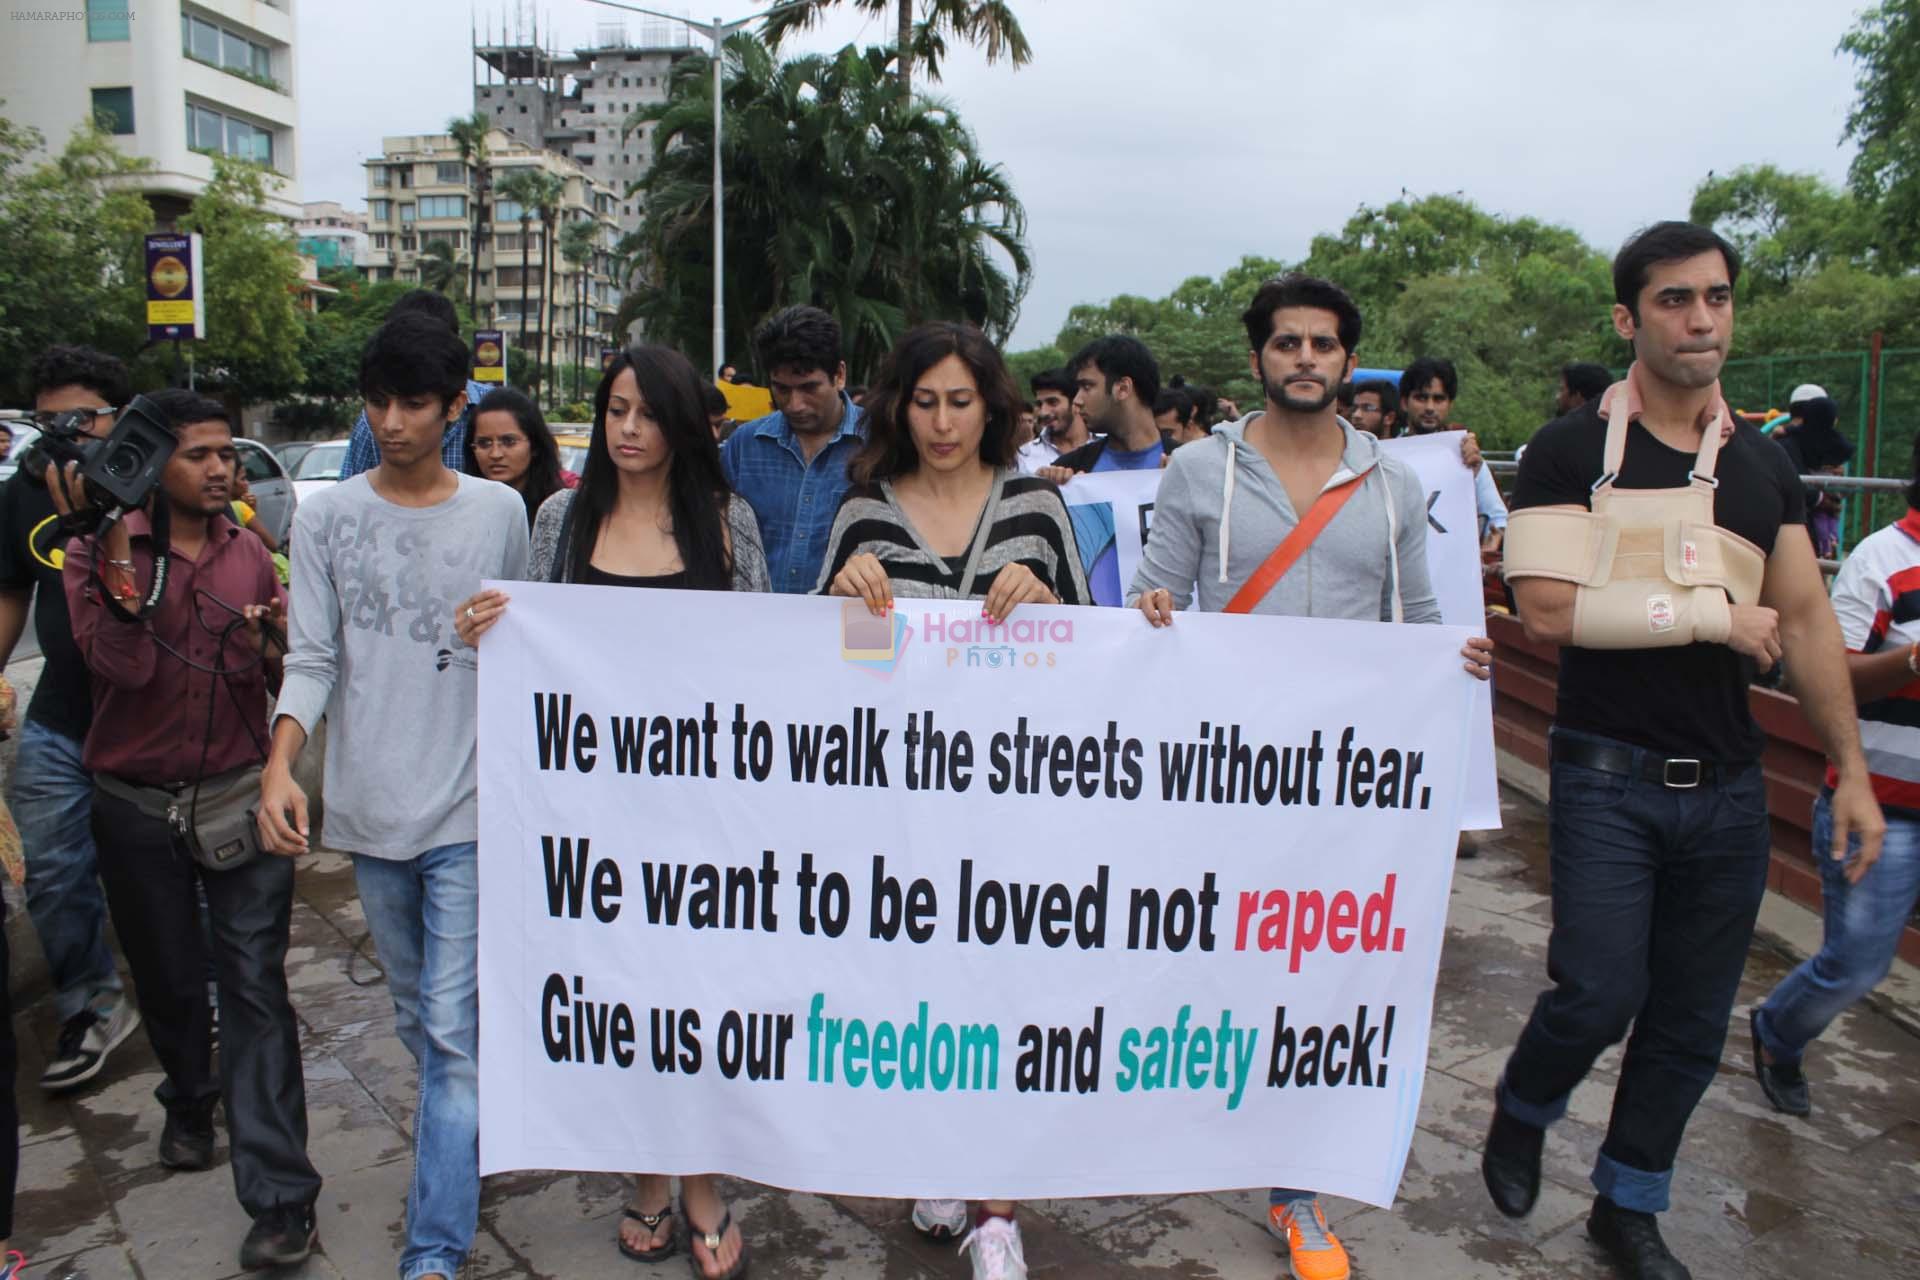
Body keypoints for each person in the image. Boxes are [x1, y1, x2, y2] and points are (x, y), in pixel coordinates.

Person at [1482, 221, 1882, 1280]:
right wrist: (1709, 616)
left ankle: (1630, 1202)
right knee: (1599, 989)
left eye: (1715, 297)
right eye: (1672, 299)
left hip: (1730, 793)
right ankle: (1524, 1101)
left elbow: (1803, 621)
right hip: (1607, 774)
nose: (1699, 317)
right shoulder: (1569, 450)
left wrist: (1849, 772)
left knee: (1692, 1020)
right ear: (1629, 318)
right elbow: (1550, 614)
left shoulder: (1764, 466)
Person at [1130, 273, 1493, 1280]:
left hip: (1345, 780)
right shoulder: (1200, 467)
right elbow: (1154, 587)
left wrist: (1451, 673)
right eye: (1285, 342)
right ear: (1258, 358)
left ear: (1346, 360)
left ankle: (1297, 1185)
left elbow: (1419, 620)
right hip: (1225, 766)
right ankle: (1179, 1105)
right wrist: (1155, 610)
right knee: (1207, 946)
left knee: (1317, 971)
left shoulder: (1394, 485)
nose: (1303, 358)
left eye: (1323, 344)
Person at [471, 345, 766, 1278]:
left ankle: (704, 1183)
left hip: (704, 817)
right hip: (590, 821)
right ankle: (646, 1179)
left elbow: (767, 666)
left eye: (646, 413)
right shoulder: (563, 518)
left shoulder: (727, 522)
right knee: (625, 1005)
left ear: (683, 424)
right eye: (614, 411)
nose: (628, 430)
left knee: (699, 1005)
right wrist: (483, 630)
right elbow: (530, 652)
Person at [258, 313, 531, 1280]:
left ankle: (434, 1252)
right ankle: (467, 1142)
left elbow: (530, 653)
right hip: (371, 812)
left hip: (465, 808)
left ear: (456, 406)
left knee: (449, 1036)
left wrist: (498, 630)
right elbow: (315, 656)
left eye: (415, 403)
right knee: (419, 1020)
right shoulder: (327, 517)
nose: (394, 421)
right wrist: (281, 761)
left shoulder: (502, 513)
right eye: (379, 402)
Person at [818, 321, 1084, 1280]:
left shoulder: (1037, 511)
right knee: (918, 992)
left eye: (960, 401)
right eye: (924, 401)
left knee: (1009, 994)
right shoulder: (862, 516)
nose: (941, 421)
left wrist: (1053, 610)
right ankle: (935, 1156)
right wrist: (850, 603)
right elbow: (834, 680)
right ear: (899, 406)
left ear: (993, 407)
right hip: (900, 810)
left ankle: (999, 1205)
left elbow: (1095, 666)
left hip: (1017, 805)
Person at [59, 387, 322, 1269]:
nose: (220, 468)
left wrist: (275, 638)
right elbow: (119, 670)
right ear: (148, 465)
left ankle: (283, 1198)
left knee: (253, 991)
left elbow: (290, 675)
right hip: (135, 808)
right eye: (199, 455)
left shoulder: (253, 552)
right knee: (172, 984)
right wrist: (128, 588)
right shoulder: (99, 553)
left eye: (227, 453)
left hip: (239, 797)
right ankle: (188, 1095)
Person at [1748, 437, 1920, 1119]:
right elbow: (1828, 669)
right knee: (1856, 965)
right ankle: (1778, 1030)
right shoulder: (1882, 559)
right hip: (1881, 806)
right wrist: (1913, 663)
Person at [0, 345, 138, 1094]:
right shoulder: (21, 494)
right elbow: (12, 595)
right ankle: (91, 1005)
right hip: (60, 715)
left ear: (119, 419)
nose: (64, 434)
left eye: (81, 418)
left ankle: (210, 994)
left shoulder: (155, 484)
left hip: (149, 718)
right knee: (52, 870)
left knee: (180, 873)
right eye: (47, 420)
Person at [719, 306, 866, 593]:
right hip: (755, 625)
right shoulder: (744, 447)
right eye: (782, 389)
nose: (795, 404)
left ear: (839, 375)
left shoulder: (878, 443)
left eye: (809, 388)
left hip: (848, 626)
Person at [339, 290, 490, 479]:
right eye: (379, 402)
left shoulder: (492, 408)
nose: (391, 424)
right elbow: (350, 491)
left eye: (415, 404)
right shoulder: (370, 424)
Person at [1399, 356, 1508, 552]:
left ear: (1450, 404)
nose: (1430, 407)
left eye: (1439, 399)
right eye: (1421, 398)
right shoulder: (1386, 456)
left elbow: (1498, 518)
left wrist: (1495, 538)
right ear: (1404, 403)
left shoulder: (1466, 456)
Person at [1039, 336, 1166, 479]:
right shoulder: (1069, 468)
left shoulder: (1185, 462)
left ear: (1123, 389)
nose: (1077, 401)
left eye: (1087, 387)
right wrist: (1048, 489)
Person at [462, 386, 573, 530]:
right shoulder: (461, 512)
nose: (495, 454)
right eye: (484, 443)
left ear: (535, 446)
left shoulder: (563, 511)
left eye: (508, 441)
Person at [1769, 385, 1855, 560]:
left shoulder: (1792, 440)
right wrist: (1825, 499)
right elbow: (1794, 485)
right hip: (1793, 530)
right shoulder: (1787, 443)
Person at [1015, 368, 1086, 472]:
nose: (1044, 412)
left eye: (1052, 402)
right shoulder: (1023, 457)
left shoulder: (1109, 447)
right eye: (1039, 404)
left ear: (1075, 403)